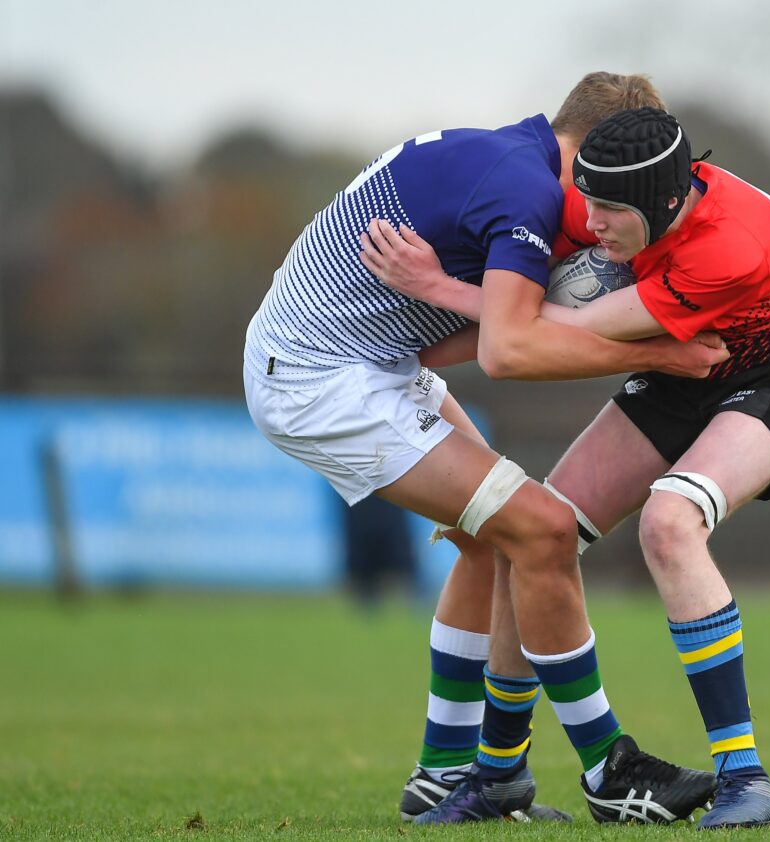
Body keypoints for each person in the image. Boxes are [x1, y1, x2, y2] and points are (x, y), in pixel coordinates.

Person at [363, 106, 770, 828]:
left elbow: (559, 330)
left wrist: (437, 286)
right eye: (587, 200)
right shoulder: (628, 197)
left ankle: (745, 779)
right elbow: (535, 314)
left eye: (609, 211)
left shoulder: (730, 248)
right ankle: (498, 775)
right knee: (532, 534)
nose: (591, 222)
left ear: (665, 199)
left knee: (670, 522)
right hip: (687, 368)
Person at [243, 73, 727, 826]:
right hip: (319, 375)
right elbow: (506, 352)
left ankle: (443, 775)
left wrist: (447, 292)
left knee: (490, 536)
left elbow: (452, 346)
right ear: (596, 149)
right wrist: (659, 355)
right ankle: (608, 769)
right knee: (543, 527)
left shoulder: (511, 164)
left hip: (367, 359)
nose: (617, 203)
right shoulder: (525, 194)